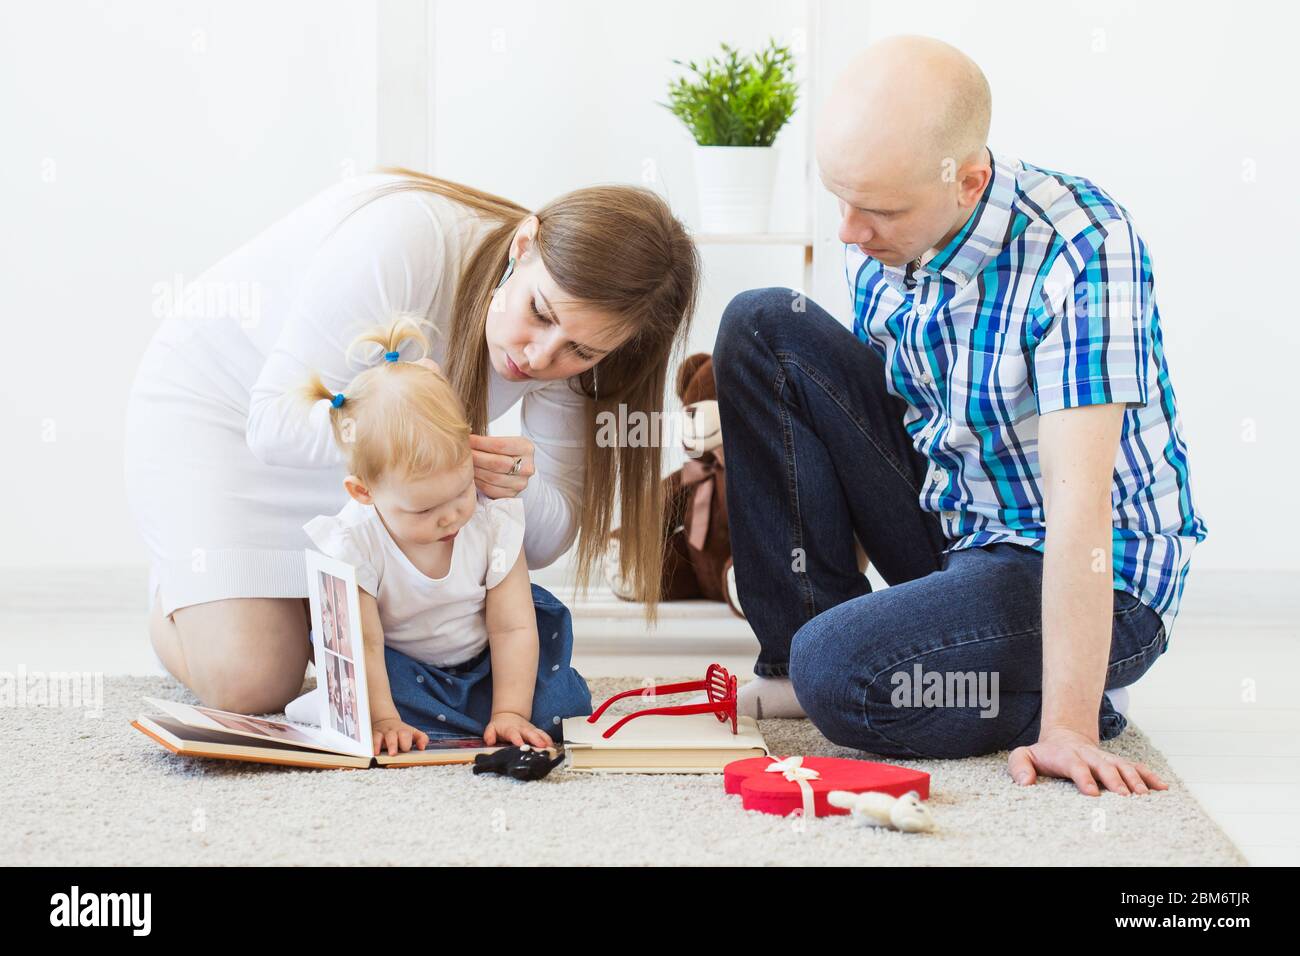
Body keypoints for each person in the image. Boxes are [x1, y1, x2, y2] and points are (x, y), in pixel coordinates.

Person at [715, 35, 1207, 796]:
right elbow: (867, 417)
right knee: (762, 324)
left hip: (1085, 571)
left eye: (876, 210)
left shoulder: (1082, 247)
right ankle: (799, 659)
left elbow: (1082, 506)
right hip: (959, 526)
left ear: (968, 182)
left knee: (843, 677)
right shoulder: (882, 226)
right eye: (840, 197)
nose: (848, 231)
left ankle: (1078, 700)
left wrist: (1066, 726)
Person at [127, 168, 699, 714]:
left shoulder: (572, 344)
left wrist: (514, 484)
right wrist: (421, 448)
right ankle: (178, 592)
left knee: (394, 634)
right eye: (539, 313)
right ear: (524, 244)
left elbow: (547, 539)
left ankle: (267, 605)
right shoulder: (405, 240)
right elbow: (273, 422)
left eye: (583, 351)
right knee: (249, 681)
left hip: (370, 478)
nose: (540, 357)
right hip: (222, 412)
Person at [294, 318, 591, 755]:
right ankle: (394, 715)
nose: (450, 516)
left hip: (486, 660)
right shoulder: (356, 540)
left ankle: (471, 716)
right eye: (425, 509)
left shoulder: (492, 519)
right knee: (370, 697)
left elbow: (512, 625)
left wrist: (510, 712)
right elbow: (366, 642)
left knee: (561, 704)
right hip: (402, 665)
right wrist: (382, 719)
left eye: (461, 491)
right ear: (364, 493)